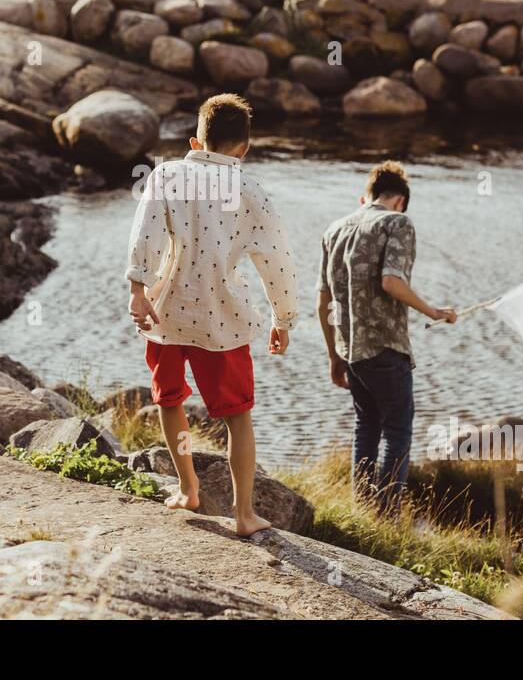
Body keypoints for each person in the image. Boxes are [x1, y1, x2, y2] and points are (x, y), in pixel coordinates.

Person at [125, 94, 297, 537]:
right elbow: (276, 260)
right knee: (238, 416)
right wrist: (283, 318)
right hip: (224, 318)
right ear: (245, 148)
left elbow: (144, 234)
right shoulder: (251, 190)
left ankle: (188, 489)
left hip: (168, 314)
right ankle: (244, 514)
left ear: (195, 142)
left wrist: (137, 291)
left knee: (169, 399)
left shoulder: (166, 175)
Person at [317, 161, 456, 512]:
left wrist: (334, 355)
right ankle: (386, 514)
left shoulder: (336, 229)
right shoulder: (398, 223)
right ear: (401, 201)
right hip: (384, 347)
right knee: (397, 431)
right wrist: (434, 312)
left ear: (366, 196)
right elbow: (391, 282)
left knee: (366, 426)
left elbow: (322, 301)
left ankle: (363, 509)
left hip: (351, 352)